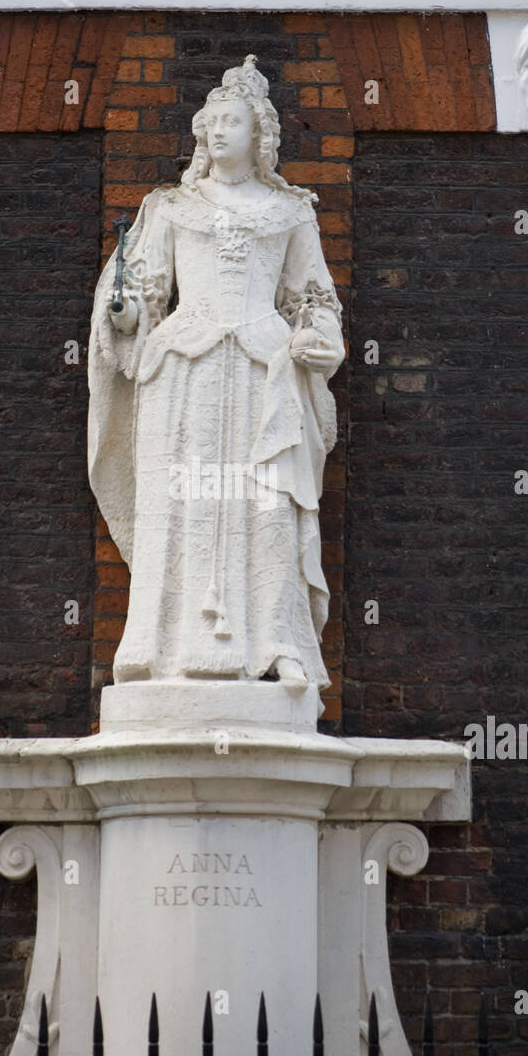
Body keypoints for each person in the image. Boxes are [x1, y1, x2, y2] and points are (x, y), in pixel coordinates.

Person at [88, 55, 344, 697]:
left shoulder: (290, 212)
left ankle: (279, 643)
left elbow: (312, 299)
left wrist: (322, 337)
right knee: (183, 502)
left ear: (259, 136)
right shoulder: (170, 207)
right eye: (214, 122)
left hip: (266, 367)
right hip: (185, 369)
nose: (221, 131)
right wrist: (123, 314)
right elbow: (142, 293)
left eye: (235, 121)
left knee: (268, 505)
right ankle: (165, 647)